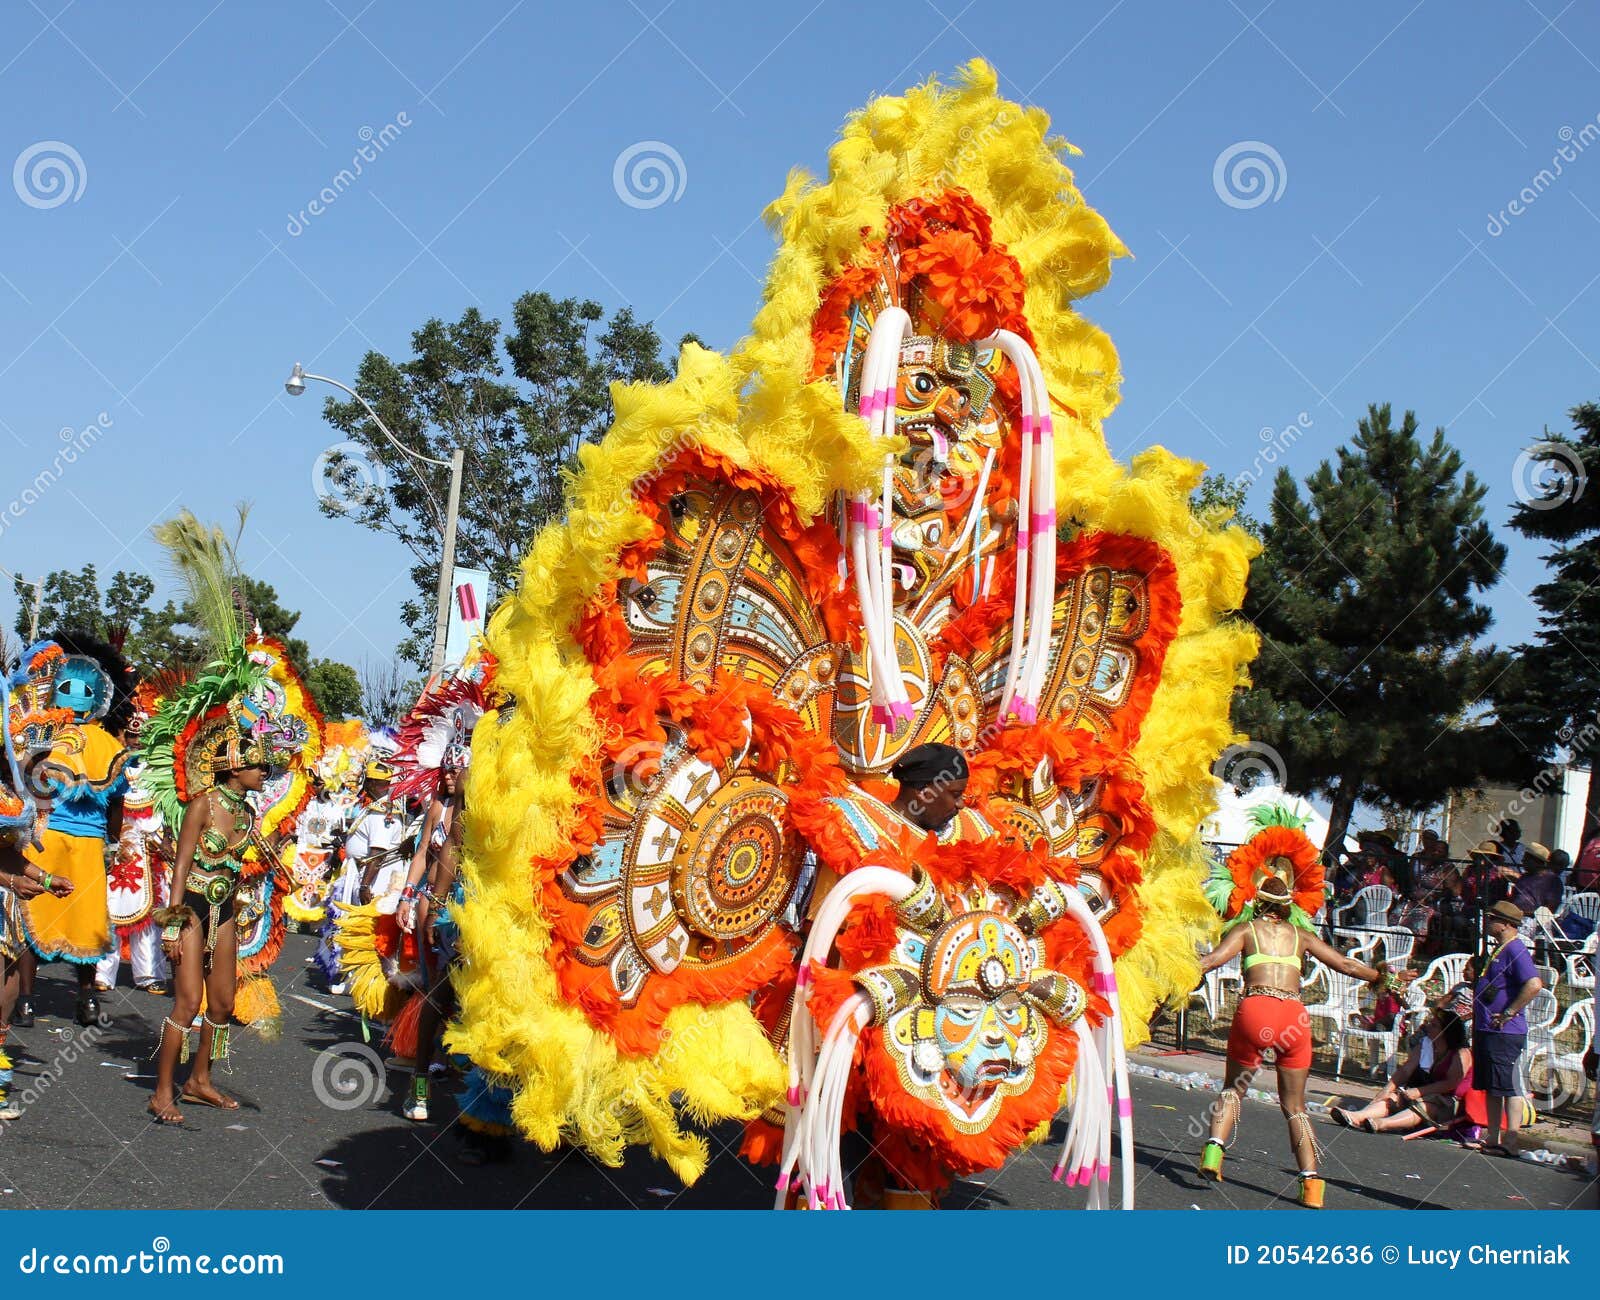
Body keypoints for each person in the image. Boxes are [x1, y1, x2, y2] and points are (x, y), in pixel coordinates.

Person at [1198, 875, 1383, 1208]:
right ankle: (1311, 1187)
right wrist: (1380, 978)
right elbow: (1344, 964)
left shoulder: (1245, 931)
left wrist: (1177, 971)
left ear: (1259, 902)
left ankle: (1213, 1151)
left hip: (1256, 1009)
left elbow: (1211, 961)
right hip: (1293, 1017)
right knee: (1295, 1107)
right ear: (1287, 908)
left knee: (1233, 1089)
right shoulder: (1302, 935)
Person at [147, 732, 278, 1124]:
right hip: (191, 909)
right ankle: (162, 1091)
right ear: (235, 768)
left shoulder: (248, 813)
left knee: (220, 1004)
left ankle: (199, 1081)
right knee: (188, 1003)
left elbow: (237, 866)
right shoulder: (202, 804)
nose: (265, 774)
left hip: (226, 911)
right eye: (259, 766)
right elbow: (182, 864)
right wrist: (172, 925)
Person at [1465, 900, 1543, 1154]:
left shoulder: (1515, 950)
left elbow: (1533, 984)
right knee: (1492, 1086)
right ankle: (1493, 1137)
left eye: (1493, 918)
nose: (1488, 922)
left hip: (1505, 1032)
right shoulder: (1500, 949)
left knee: (1508, 1086)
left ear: (1506, 924)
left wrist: (1510, 1012)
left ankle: (1510, 1141)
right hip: (1488, 1029)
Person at [1330, 1006, 1471, 1133]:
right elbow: (1405, 1071)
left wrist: (1418, 1092)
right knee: (1394, 1097)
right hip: (1431, 1093)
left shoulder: (1461, 1054)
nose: (1427, 1026)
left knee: (1427, 1105)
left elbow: (1452, 1083)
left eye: (1433, 1025)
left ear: (1445, 1032)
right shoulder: (1426, 1045)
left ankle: (1382, 1123)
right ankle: (1357, 1116)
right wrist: (1386, 1091)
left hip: (1451, 1102)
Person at [1511, 842, 1564, 916]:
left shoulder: (1553, 881)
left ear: (1537, 861)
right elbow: (1513, 897)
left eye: (1526, 858)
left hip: (1533, 920)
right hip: (1513, 915)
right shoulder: (1524, 876)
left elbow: (1549, 910)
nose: (1522, 861)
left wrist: (1523, 913)